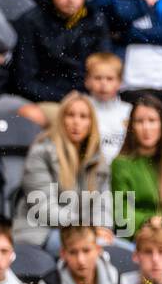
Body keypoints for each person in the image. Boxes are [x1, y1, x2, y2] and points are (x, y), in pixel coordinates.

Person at [14, 91, 111, 248]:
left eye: (83, 116)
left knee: (126, 252)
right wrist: (85, 228)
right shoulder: (41, 153)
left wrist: (102, 228)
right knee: (87, 249)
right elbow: (42, 207)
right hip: (41, 233)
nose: (76, 122)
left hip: (83, 233)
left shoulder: (98, 160)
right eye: (70, 115)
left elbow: (103, 203)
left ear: (91, 123)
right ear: (61, 119)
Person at [11, 0, 109, 121]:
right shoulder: (31, 21)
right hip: (46, 99)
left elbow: (104, 67)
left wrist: (83, 97)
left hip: (89, 99)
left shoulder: (95, 20)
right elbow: (25, 80)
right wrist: (65, 98)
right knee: (72, 121)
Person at [110, 94, 162, 238]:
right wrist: (148, 221)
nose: (146, 127)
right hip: (137, 239)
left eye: (152, 120)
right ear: (132, 126)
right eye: (139, 121)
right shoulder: (121, 164)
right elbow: (122, 215)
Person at [84, 52, 132, 165]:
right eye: (98, 78)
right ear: (87, 81)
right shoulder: (81, 109)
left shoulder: (129, 111)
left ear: (120, 82)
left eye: (110, 79)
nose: (103, 83)